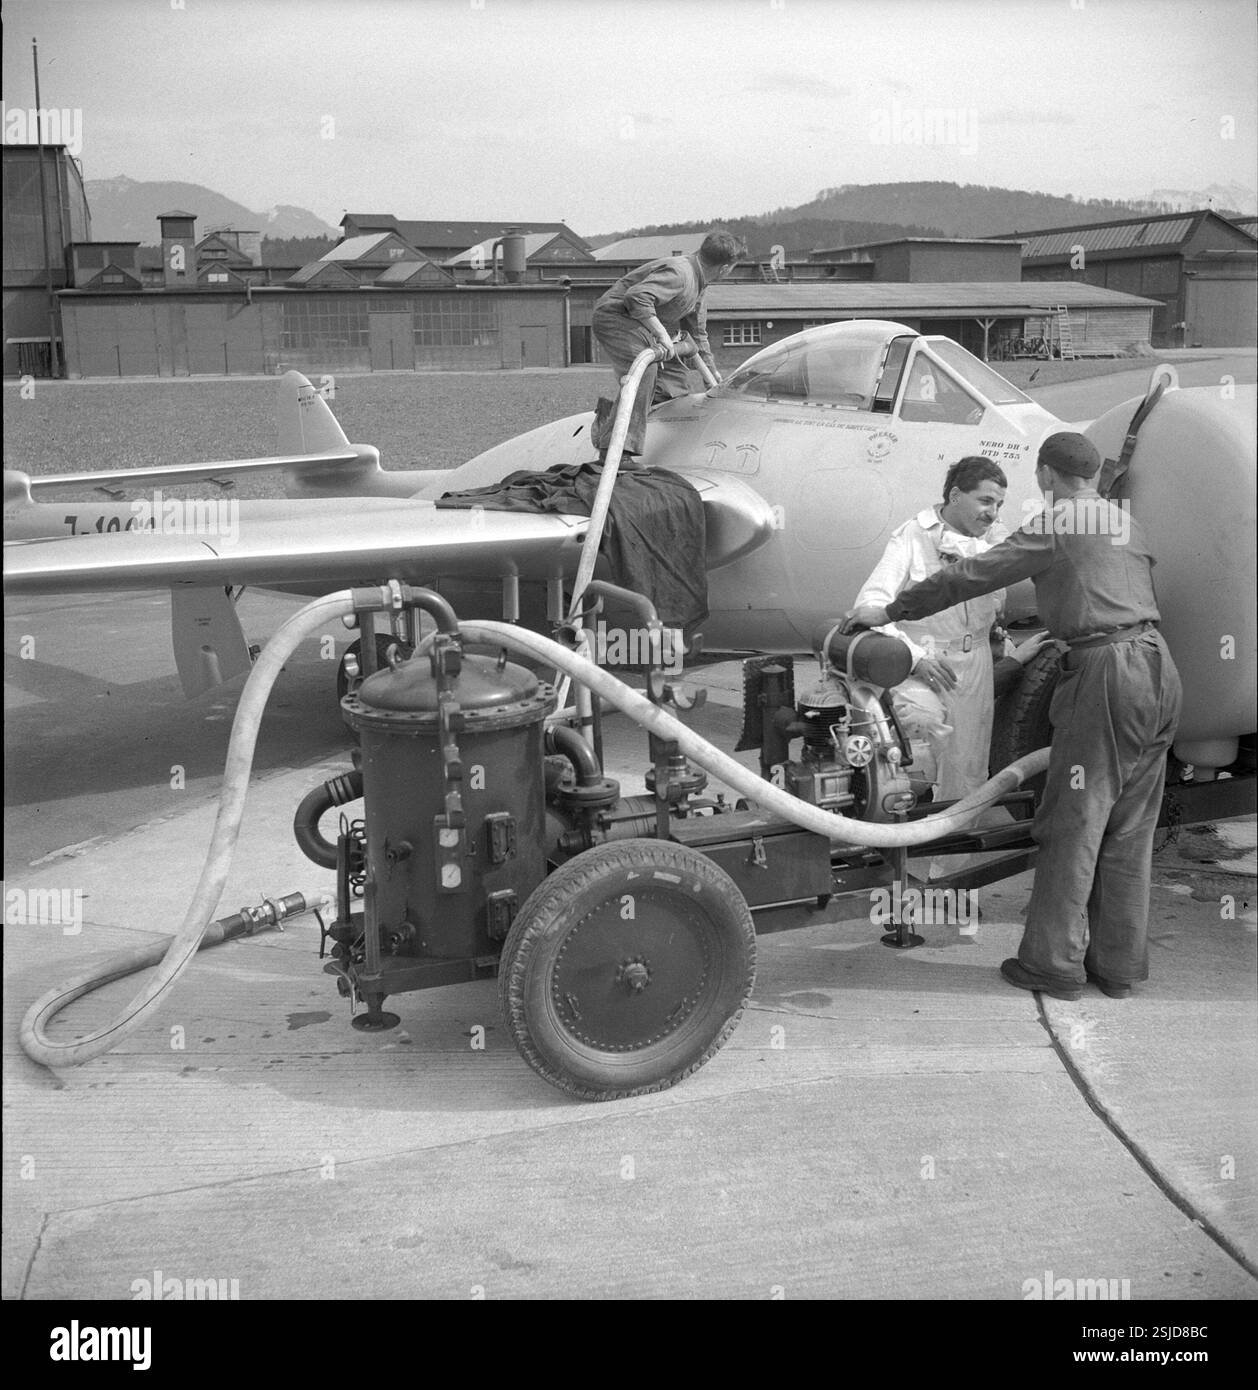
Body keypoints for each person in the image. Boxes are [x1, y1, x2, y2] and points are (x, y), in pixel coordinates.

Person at [848, 432, 1182, 1001]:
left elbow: (974, 577)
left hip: (1105, 672)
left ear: (1046, 475)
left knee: (1073, 823)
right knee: (1129, 825)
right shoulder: (1121, 520)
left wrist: (892, 609)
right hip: (1158, 668)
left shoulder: (1060, 520)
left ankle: (1052, 966)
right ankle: (1118, 969)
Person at [590, 230, 741, 459]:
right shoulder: (680, 273)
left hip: (642, 326)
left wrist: (712, 376)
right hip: (616, 317)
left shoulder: (700, 284)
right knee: (644, 371)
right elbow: (637, 297)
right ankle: (616, 451)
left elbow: (696, 334)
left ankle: (613, 418)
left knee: (673, 386)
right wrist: (661, 333)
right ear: (725, 268)